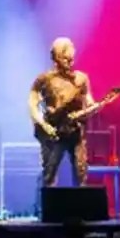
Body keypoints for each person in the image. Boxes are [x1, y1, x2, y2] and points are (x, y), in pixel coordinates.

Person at [30, 37, 92, 188]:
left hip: (75, 131)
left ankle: (82, 209)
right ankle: (48, 207)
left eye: (71, 58)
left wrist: (94, 108)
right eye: (66, 58)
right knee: (49, 174)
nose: (70, 62)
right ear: (56, 57)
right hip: (53, 133)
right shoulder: (44, 79)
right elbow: (32, 104)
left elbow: (89, 102)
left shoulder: (81, 79)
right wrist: (44, 125)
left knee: (81, 173)